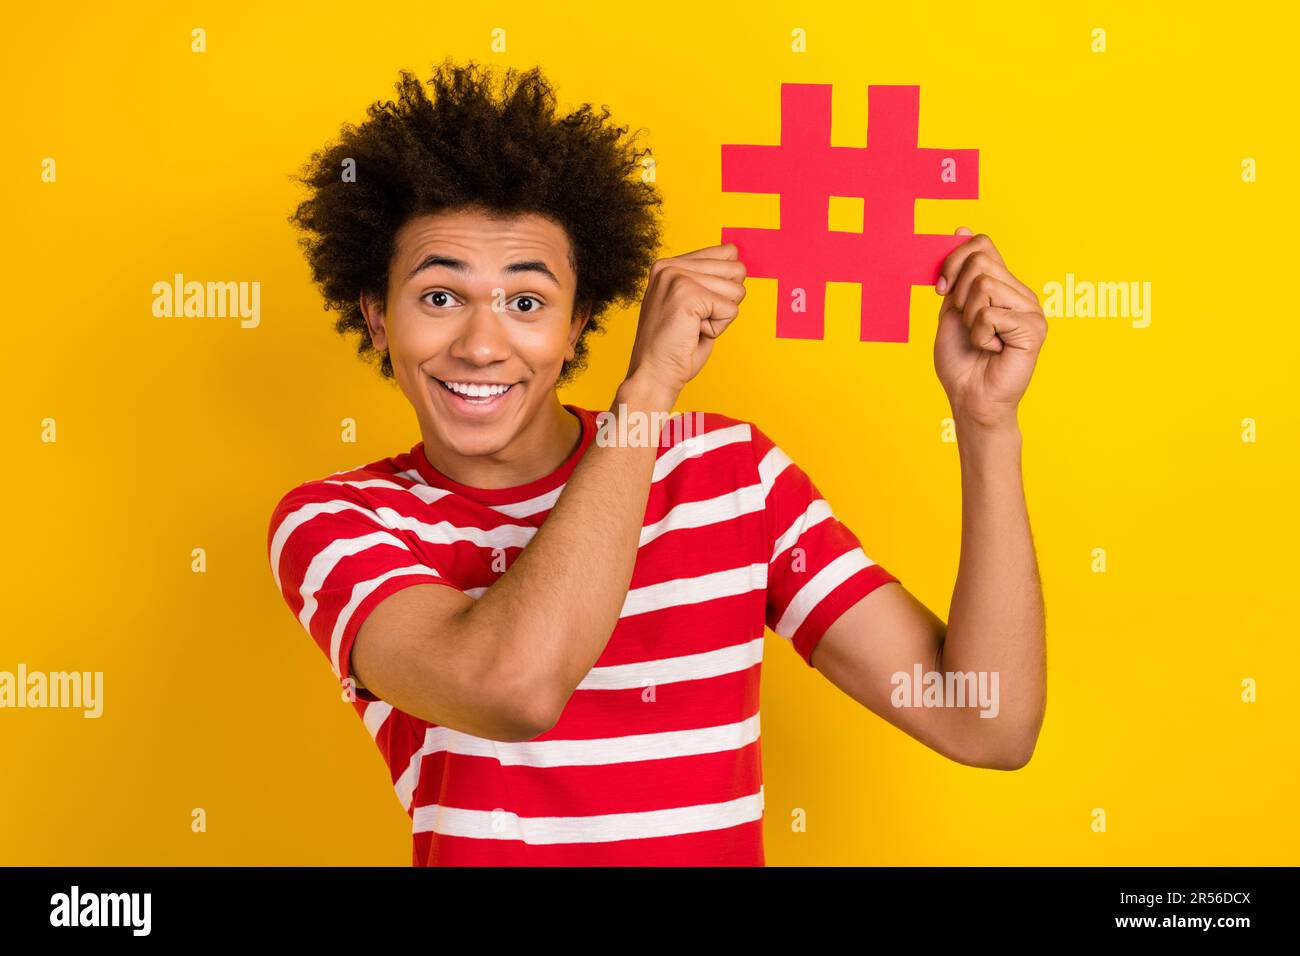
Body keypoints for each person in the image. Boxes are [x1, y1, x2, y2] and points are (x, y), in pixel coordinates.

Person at [267, 59, 1047, 866]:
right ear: (376, 315)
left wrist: (986, 423)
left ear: (576, 327)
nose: (481, 343)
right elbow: (513, 689)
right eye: (439, 297)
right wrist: (649, 390)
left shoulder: (731, 475)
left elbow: (984, 721)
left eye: (527, 303)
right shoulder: (336, 522)